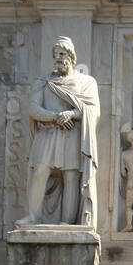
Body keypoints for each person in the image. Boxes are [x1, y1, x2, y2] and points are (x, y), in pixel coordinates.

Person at [16, 36, 100, 228]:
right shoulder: (43, 82)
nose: (58, 58)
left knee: (71, 176)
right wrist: (54, 117)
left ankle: (67, 222)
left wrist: (71, 114)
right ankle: (33, 216)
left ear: (71, 56)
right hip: (47, 133)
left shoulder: (86, 82)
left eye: (62, 54)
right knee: (40, 172)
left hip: (72, 135)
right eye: (55, 55)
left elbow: (94, 111)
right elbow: (33, 109)